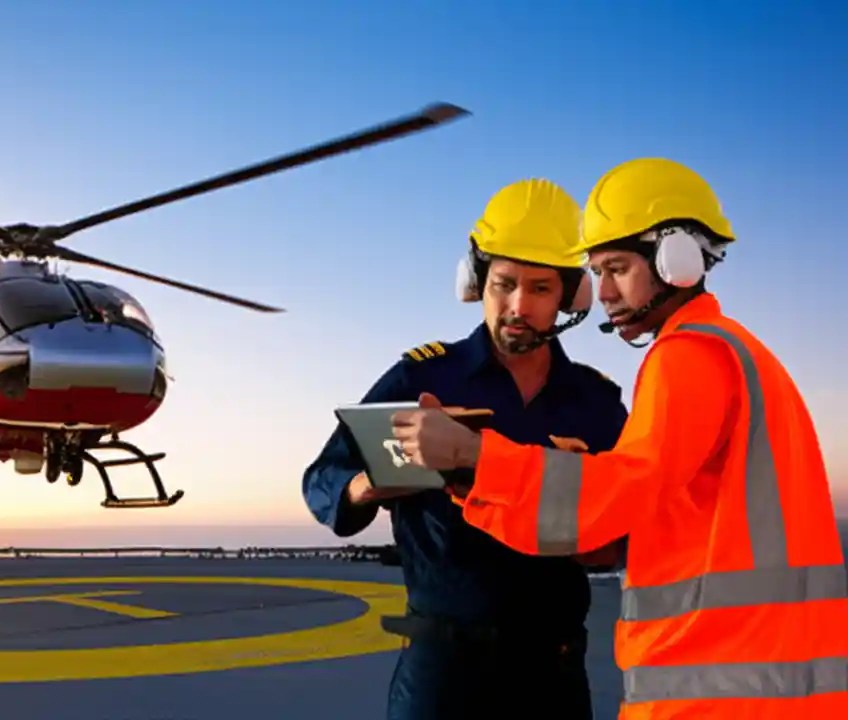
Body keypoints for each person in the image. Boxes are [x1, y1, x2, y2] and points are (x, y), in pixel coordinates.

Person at [392, 158, 848, 719]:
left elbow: (620, 497)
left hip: (713, 685)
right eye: (595, 273)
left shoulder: (688, 357)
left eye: (616, 268)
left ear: (675, 259)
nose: (602, 292)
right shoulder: (741, 354)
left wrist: (471, 457)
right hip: (769, 679)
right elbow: (667, 502)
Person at [301, 178, 630, 719]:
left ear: (572, 296)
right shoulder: (420, 375)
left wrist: (586, 491)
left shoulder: (596, 403)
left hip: (552, 674)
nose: (518, 306)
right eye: (504, 284)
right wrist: (369, 485)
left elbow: (634, 529)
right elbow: (320, 482)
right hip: (441, 673)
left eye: (541, 289)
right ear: (478, 282)